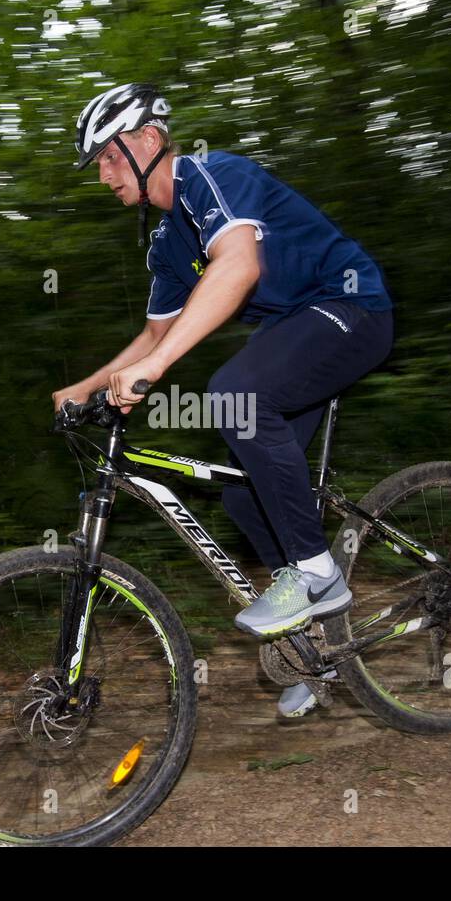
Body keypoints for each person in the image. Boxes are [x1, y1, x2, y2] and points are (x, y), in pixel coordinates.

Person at [52, 83, 395, 717]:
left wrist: (156, 369)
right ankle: (311, 647)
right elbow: (154, 334)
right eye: (96, 164)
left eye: (107, 156)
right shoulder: (166, 244)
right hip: (297, 327)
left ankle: (317, 574)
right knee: (242, 487)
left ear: (149, 141)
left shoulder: (213, 174)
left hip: (351, 307)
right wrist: (88, 387)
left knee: (234, 392)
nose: (102, 175)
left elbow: (237, 267)